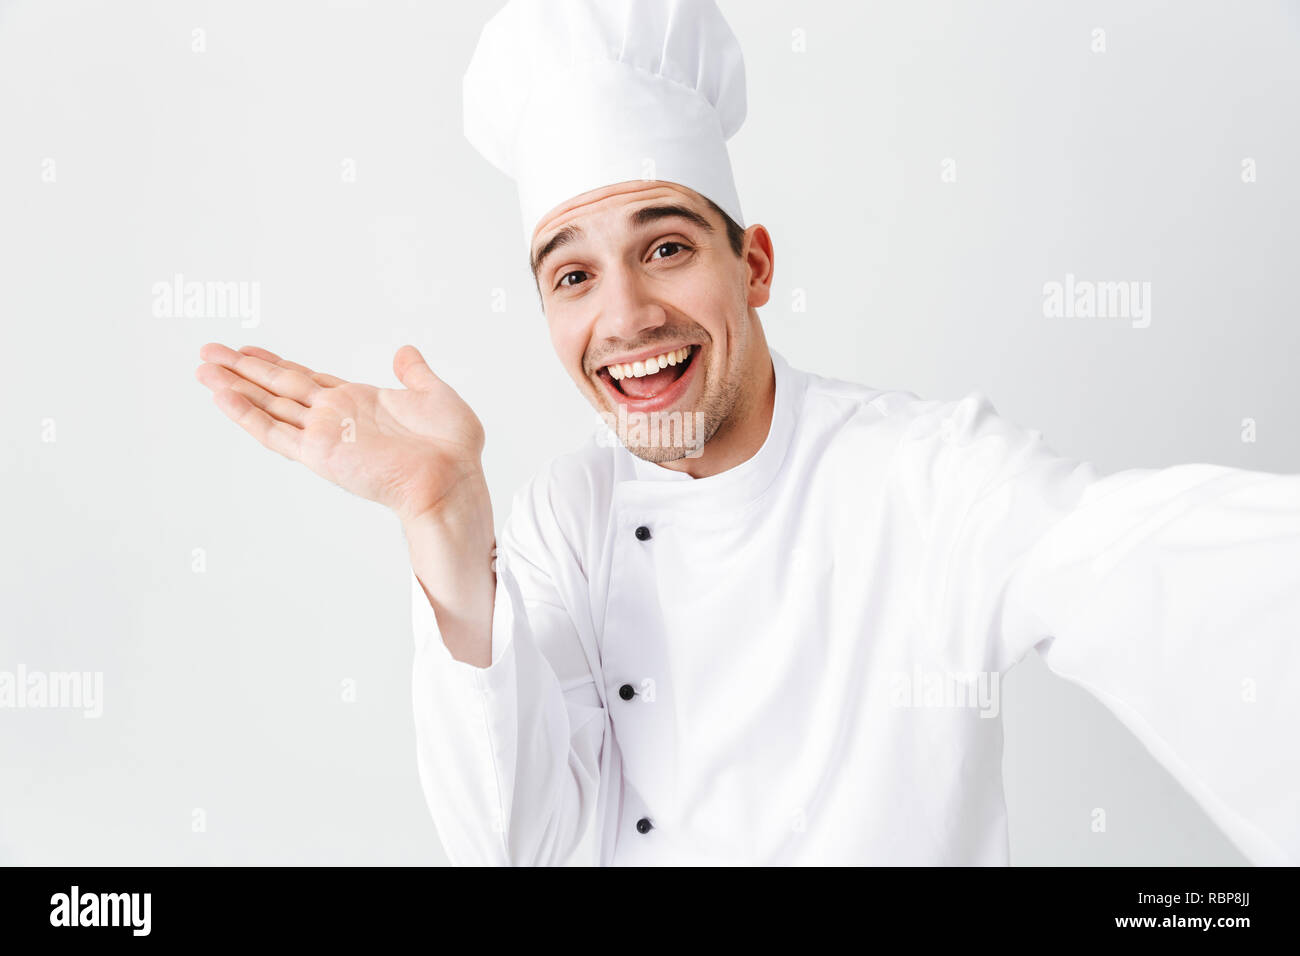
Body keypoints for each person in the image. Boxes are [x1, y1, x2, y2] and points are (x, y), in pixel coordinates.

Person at [194, 0, 1300, 866]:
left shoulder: (924, 472)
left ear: (754, 263)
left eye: (665, 247)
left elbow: (1123, 556)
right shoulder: (568, 516)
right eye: (572, 274)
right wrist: (440, 514)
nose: (624, 316)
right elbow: (520, 846)